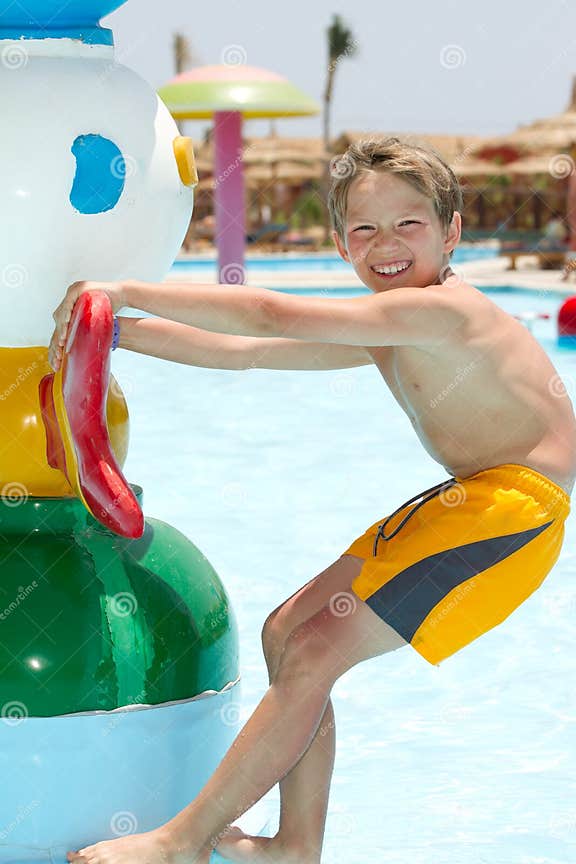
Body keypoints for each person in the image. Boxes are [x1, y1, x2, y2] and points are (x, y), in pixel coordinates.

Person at [50, 135, 576, 864]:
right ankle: (295, 846)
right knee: (286, 633)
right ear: (340, 243)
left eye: (409, 225)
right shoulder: (395, 327)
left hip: (515, 511)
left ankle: (180, 840)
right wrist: (117, 337)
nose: (385, 245)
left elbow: (271, 317)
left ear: (452, 231)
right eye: (364, 229)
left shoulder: (447, 314)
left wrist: (125, 290)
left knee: (315, 652)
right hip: (473, 503)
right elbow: (247, 351)